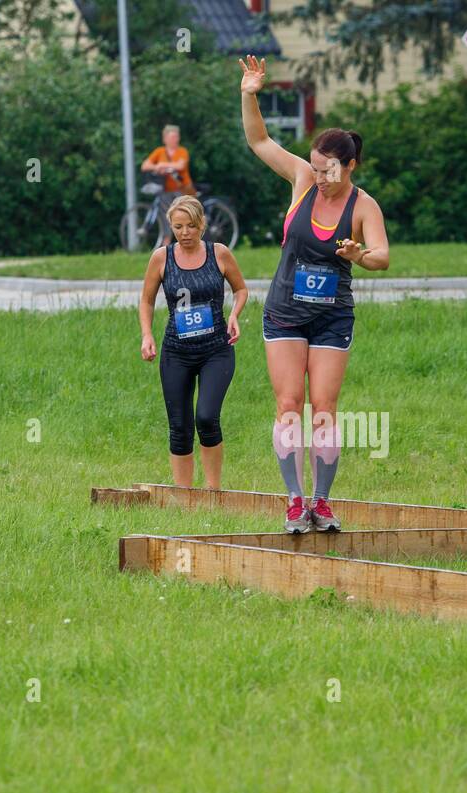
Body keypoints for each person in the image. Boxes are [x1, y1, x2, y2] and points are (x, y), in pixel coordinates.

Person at [239, 55, 389, 533]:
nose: (322, 177)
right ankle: (293, 501)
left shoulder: (364, 206)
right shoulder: (303, 181)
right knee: (289, 404)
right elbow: (259, 140)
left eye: (330, 171)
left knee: (323, 407)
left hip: (331, 318)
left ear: (350, 165)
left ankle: (321, 504)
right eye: (319, 168)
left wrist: (357, 255)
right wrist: (250, 94)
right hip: (284, 313)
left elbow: (382, 257)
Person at [139, 195, 247, 489]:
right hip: (177, 352)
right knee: (180, 426)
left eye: (190, 226)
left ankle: (213, 491)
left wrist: (235, 315)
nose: (184, 233)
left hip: (216, 350)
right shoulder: (161, 257)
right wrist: (147, 334)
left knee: (207, 417)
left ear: (202, 224)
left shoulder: (220, 253)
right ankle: (184, 496)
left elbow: (240, 290)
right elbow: (147, 300)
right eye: (177, 227)